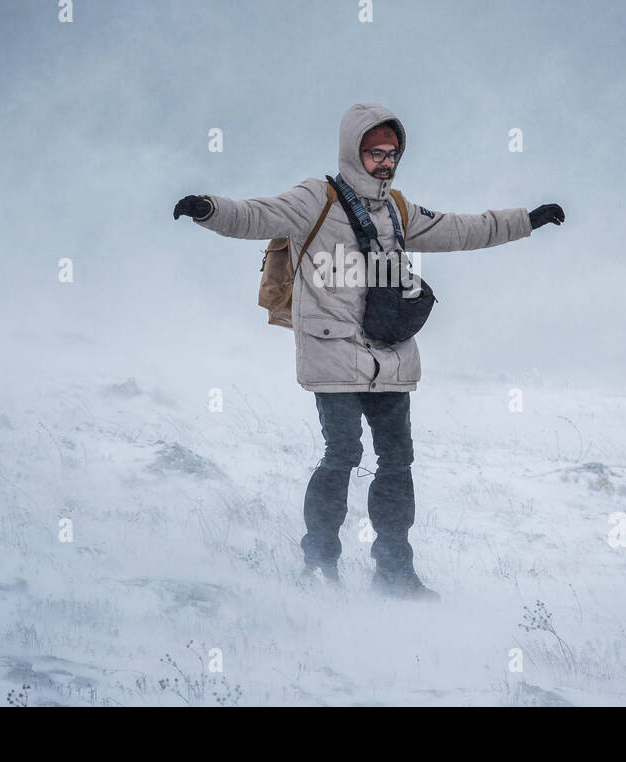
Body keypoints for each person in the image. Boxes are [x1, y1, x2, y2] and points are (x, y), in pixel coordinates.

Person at [173, 102, 564, 600]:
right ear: (353, 151)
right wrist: (208, 208)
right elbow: (256, 214)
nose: (385, 161)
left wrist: (525, 220)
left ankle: (395, 572)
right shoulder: (316, 198)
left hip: (391, 355)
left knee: (398, 460)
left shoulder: (397, 210)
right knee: (343, 454)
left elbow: (463, 229)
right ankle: (318, 565)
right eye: (375, 152)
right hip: (332, 355)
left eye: (392, 153)